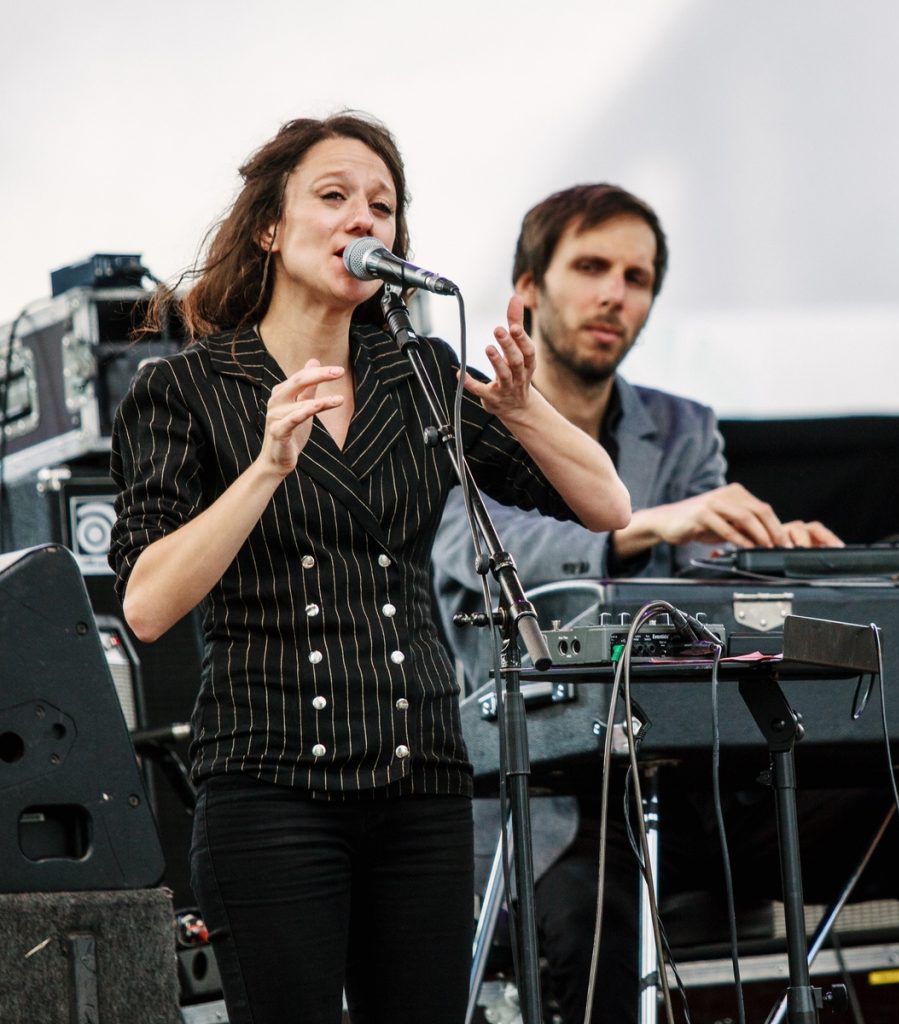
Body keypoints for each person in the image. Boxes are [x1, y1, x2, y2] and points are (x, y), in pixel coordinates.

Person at [432, 184, 899, 1023]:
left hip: (709, 782)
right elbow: (475, 548)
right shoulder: (458, 417)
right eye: (590, 267)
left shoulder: (683, 425)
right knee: (598, 919)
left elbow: (711, 587)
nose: (614, 294)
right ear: (527, 289)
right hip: (557, 802)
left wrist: (773, 565)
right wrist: (646, 523)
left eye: (638, 277)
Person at [107, 116, 630, 1024]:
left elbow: (606, 506)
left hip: (418, 779)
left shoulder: (419, 376)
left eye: (383, 207)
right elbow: (147, 605)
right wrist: (266, 467)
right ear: (271, 226)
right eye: (335, 196)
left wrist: (525, 409)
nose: (364, 220)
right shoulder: (186, 390)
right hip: (270, 785)